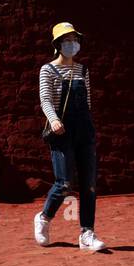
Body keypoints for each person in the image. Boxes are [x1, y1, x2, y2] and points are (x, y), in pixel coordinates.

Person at [34, 22, 104, 251]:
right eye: (67, 40)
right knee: (64, 183)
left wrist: (88, 127)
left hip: (84, 131)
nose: (72, 44)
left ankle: (87, 234)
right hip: (61, 131)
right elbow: (45, 99)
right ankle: (44, 217)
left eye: (74, 39)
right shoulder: (48, 70)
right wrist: (53, 120)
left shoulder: (83, 70)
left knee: (89, 185)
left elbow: (88, 103)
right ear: (57, 44)